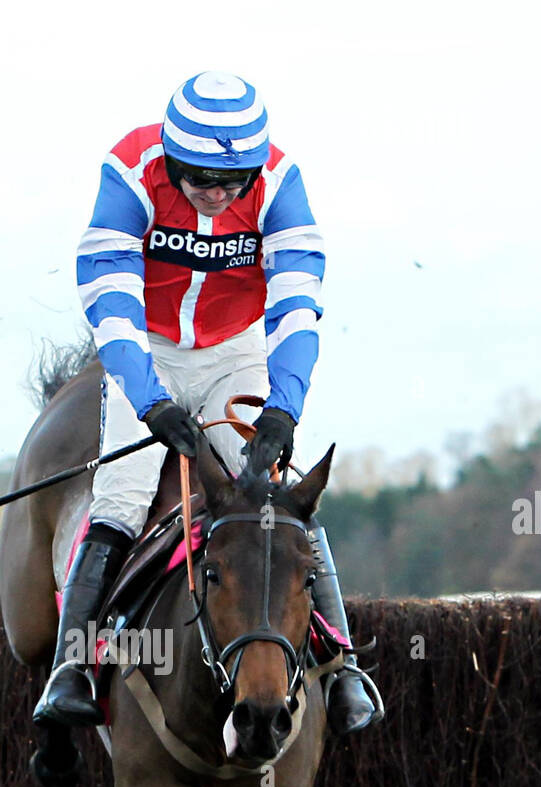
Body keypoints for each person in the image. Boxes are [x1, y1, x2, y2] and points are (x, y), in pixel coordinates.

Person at [33, 71, 383, 737]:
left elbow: (296, 309)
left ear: (254, 173)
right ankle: (71, 668)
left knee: (282, 491)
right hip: (149, 344)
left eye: (230, 182)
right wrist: (149, 400)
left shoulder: (282, 183)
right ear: (170, 158)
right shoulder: (131, 169)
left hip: (237, 350)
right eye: (198, 178)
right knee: (123, 494)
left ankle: (341, 667)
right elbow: (110, 303)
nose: (215, 194)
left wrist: (283, 408)